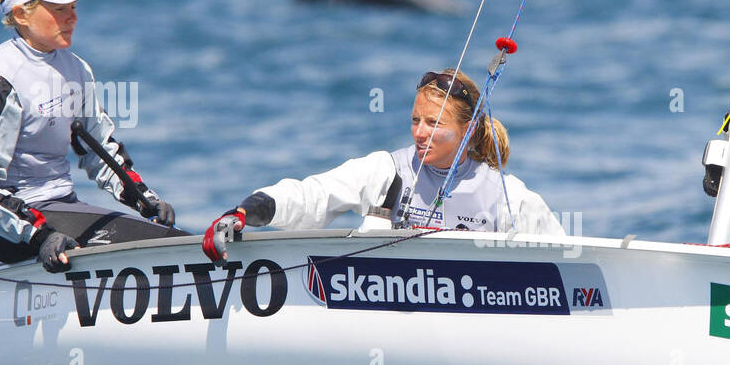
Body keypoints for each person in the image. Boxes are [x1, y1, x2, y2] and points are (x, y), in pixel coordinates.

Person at [0, 0, 182, 273]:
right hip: (17, 228)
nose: (73, 17)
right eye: (60, 9)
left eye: (73, 7)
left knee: (170, 239)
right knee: (166, 247)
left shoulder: (76, 69)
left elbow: (100, 150)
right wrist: (39, 236)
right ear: (21, 14)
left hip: (65, 208)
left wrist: (145, 199)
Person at [201, 68, 566, 262]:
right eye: (415, 120)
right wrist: (245, 212)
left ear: (468, 131)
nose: (419, 133)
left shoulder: (507, 197)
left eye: (434, 124)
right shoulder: (386, 172)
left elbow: (563, 262)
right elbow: (313, 197)